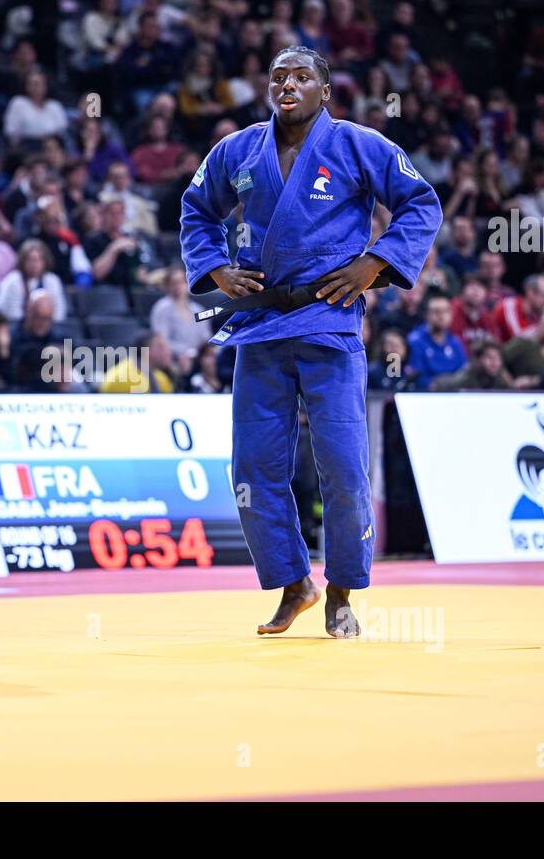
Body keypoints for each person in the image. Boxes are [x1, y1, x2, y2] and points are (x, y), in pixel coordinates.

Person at [180, 46, 440, 638]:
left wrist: (374, 264)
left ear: (326, 89)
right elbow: (197, 209)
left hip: (330, 321)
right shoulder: (237, 150)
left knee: (344, 468)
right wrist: (217, 270)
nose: (287, 85)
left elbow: (420, 203)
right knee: (251, 467)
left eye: (301, 76)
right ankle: (294, 583)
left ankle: (342, 593)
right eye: (277, 77)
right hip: (260, 325)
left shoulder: (358, 144)